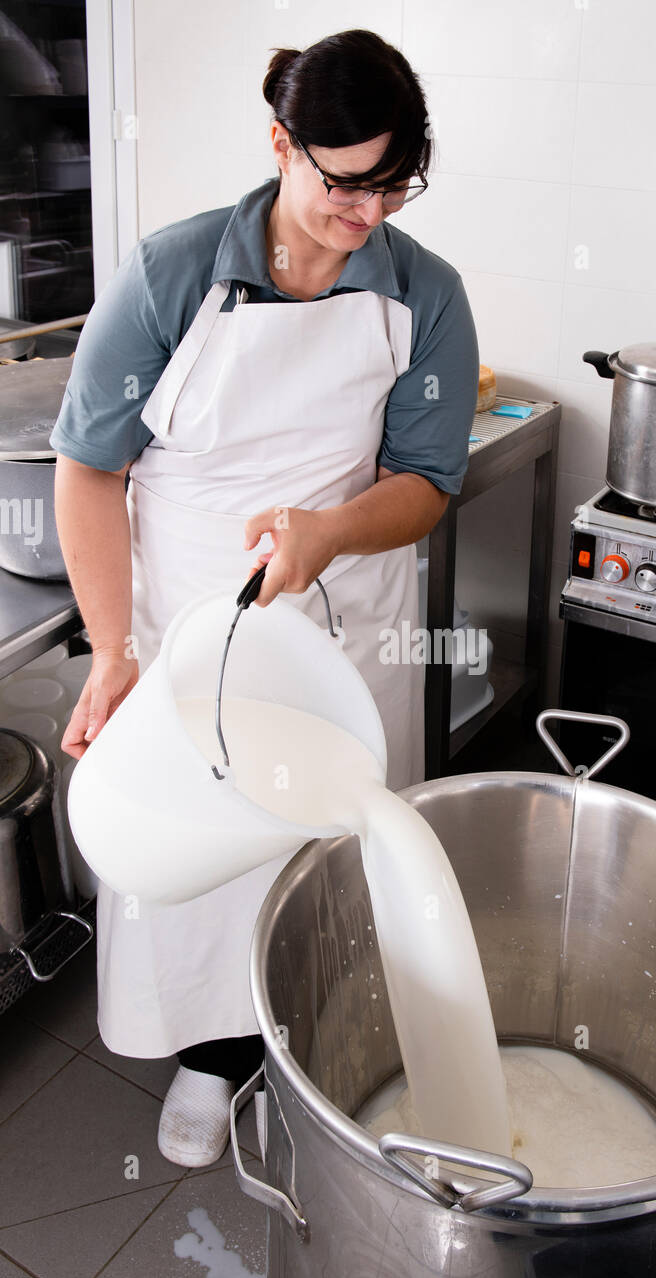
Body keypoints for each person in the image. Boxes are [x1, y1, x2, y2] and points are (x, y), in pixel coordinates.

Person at [51, 29, 480, 1167]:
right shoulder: (171, 274)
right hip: (193, 630)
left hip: (344, 631)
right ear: (281, 145)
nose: (370, 212)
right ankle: (209, 1054)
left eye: (395, 183)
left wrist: (329, 529)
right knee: (207, 865)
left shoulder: (421, 294)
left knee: (324, 865)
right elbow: (89, 468)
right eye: (346, 182)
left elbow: (428, 482)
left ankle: (327, 1057)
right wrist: (108, 651)